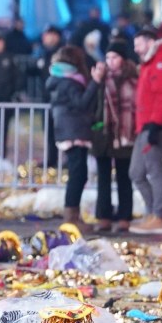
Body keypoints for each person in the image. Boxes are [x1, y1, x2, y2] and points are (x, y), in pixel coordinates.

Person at [129, 27, 162, 235]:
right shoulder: (151, 65)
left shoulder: (159, 66)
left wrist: (155, 124)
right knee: (137, 172)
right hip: (148, 125)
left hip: (155, 126)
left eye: (138, 44)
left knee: (153, 171)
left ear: (150, 43)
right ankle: (154, 213)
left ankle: (159, 215)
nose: (136, 49)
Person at [46, 46, 102, 229]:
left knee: (79, 174)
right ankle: (71, 218)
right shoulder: (69, 81)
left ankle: (73, 215)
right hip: (74, 131)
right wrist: (95, 82)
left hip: (68, 129)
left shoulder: (58, 79)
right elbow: (82, 103)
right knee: (78, 175)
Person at [92, 43, 137, 233]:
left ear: (123, 60)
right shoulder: (101, 79)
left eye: (115, 57)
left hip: (125, 133)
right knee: (103, 176)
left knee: (123, 175)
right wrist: (95, 82)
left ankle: (124, 216)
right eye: (108, 57)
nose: (110, 62)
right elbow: (93, 102)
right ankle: (104, 216)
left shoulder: (132, 79)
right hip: (104, 133)